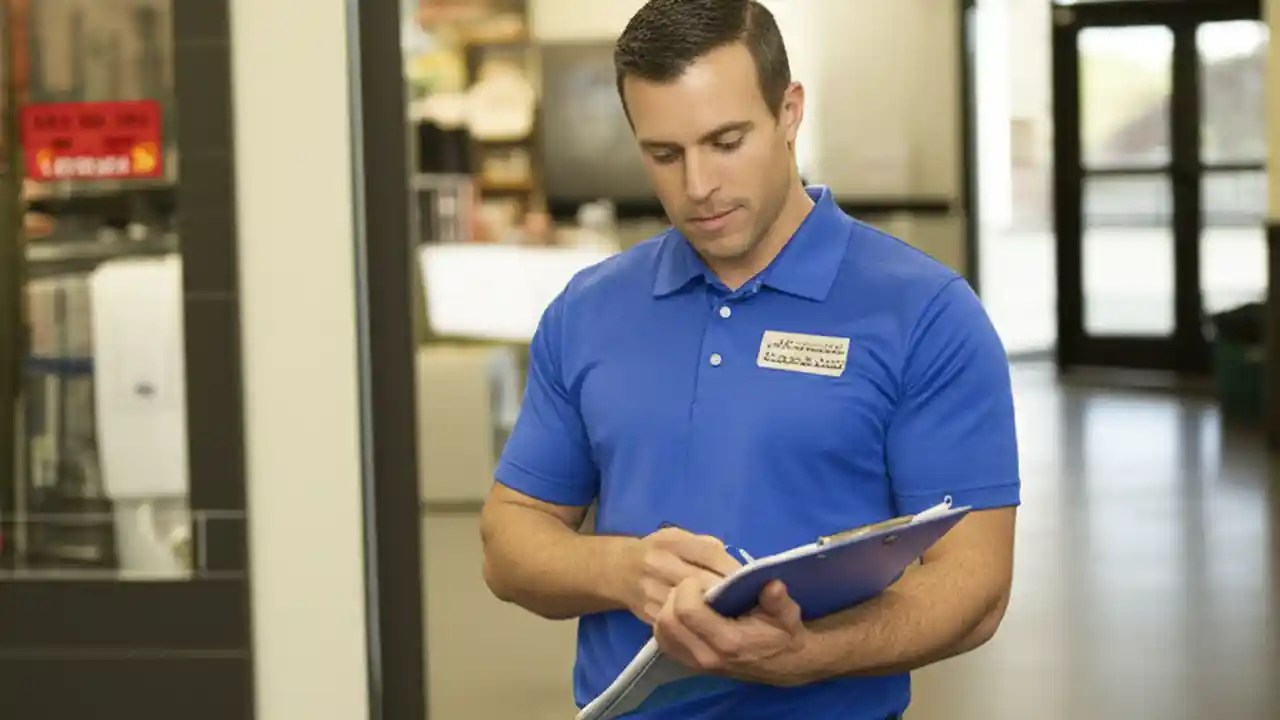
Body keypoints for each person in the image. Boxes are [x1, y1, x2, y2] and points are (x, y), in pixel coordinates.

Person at [479, 1, 1020, 718]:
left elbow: (975, 586)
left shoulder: (925, 313)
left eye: (726, 141)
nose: (697, 185)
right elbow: (509, 541)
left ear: (789, 112)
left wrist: (809, 656)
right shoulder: (588, 310)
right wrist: (623, 569)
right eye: (664, 154)